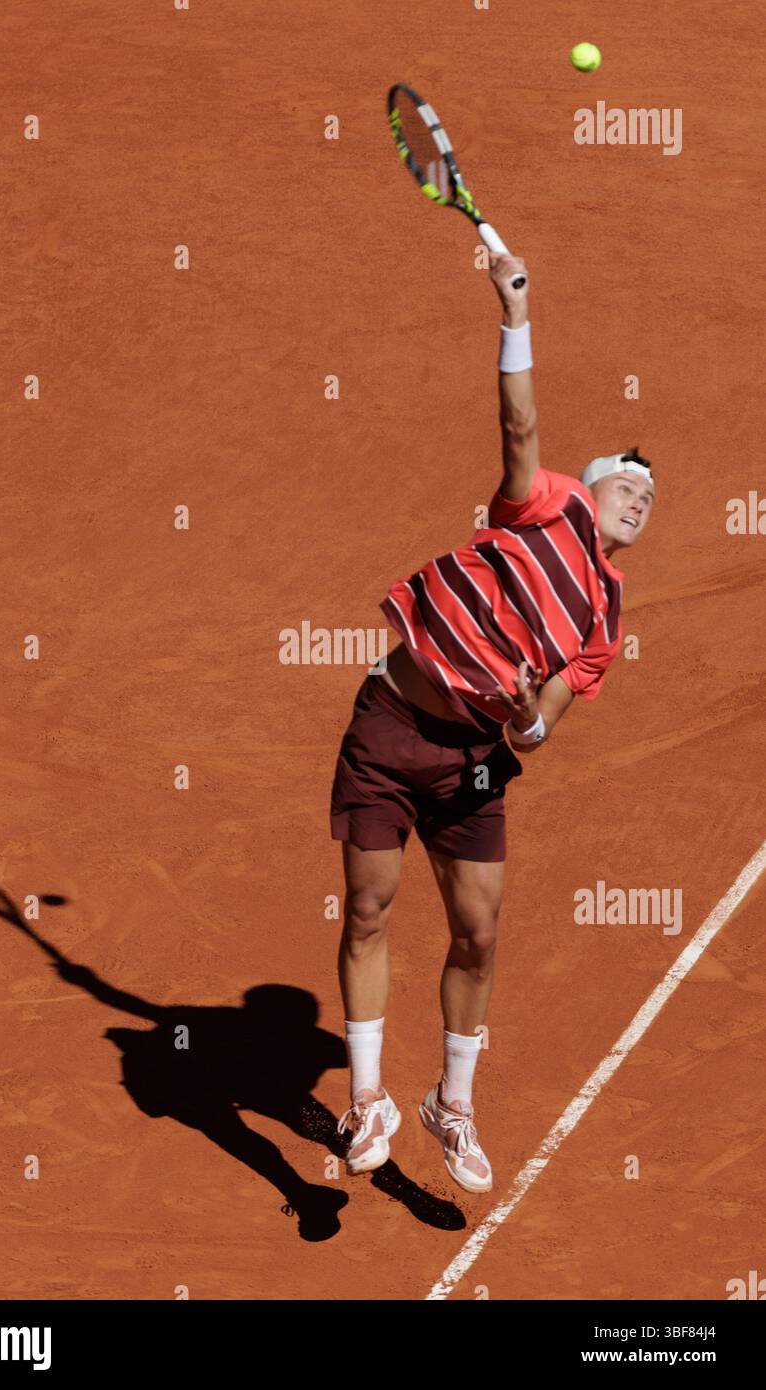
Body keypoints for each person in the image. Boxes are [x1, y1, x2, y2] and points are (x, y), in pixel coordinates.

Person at [330, 253, 655, 1193]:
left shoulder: (603, 620)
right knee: (367, 911)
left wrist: (526, 717)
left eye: (648, 498)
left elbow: (536, 734)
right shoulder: (540, 503)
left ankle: (452, 1107)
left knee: (478, 933)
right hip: (390, 727)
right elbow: (519, 417)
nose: (638, 497)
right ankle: (367, 1102)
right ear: (584, 488)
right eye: (625, 483)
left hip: (472, 759)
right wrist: (514, 310)